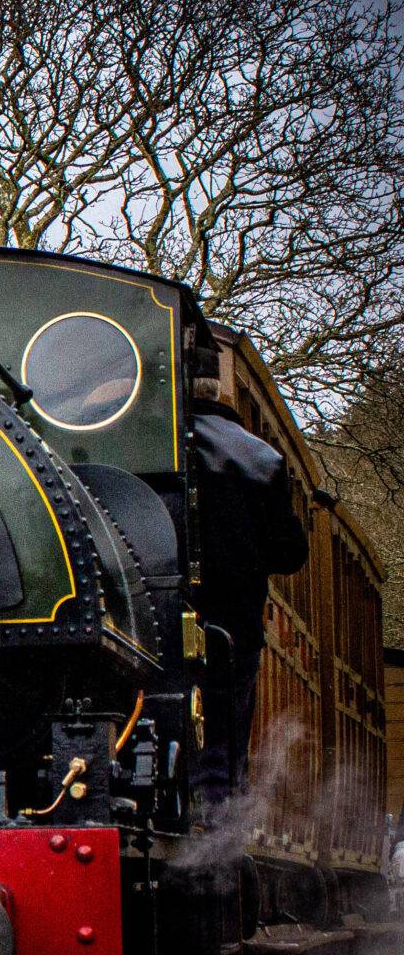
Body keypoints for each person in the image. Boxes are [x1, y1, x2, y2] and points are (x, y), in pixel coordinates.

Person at [187, 342, 308, 807]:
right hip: (232, 623)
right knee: (224, 738)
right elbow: (291, 551)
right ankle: (216, 830)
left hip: (150, 618)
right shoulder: (260, 459)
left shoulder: (147, 444)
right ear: (219, 389)